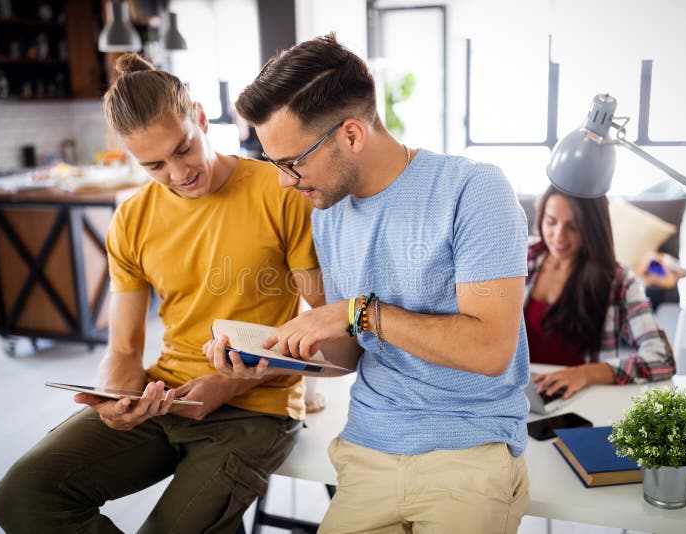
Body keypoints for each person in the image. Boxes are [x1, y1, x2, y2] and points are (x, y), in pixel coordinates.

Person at [206, 34, 530, 533]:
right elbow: (351, 355)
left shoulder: (473, 190)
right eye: (274, 164)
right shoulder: (329, 214)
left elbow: (490, 351)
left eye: (292, 162)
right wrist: (274, 360)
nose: (283, 182)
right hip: (368, 450)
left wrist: (361, 311)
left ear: (352, 135)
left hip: (470, 453)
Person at [0, 53, 323, 533]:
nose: (178, 172)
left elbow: (327, 329)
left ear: (203, 119)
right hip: (165, 394)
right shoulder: (131, 219)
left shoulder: (281, 192)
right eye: (154, 165)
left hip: (256, 409)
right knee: (22, 496)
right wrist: (116, 398)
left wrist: (229, 382)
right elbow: (123, 348)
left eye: (184, 149)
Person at [526, 186, 676, 400]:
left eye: (573, 226)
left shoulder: (619, 281)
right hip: (517, 393)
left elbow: (662, 359)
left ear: (591, 228)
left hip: (573, 399)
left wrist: (587, 373)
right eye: (551, 222)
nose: (558, 235)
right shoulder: (523, 259)